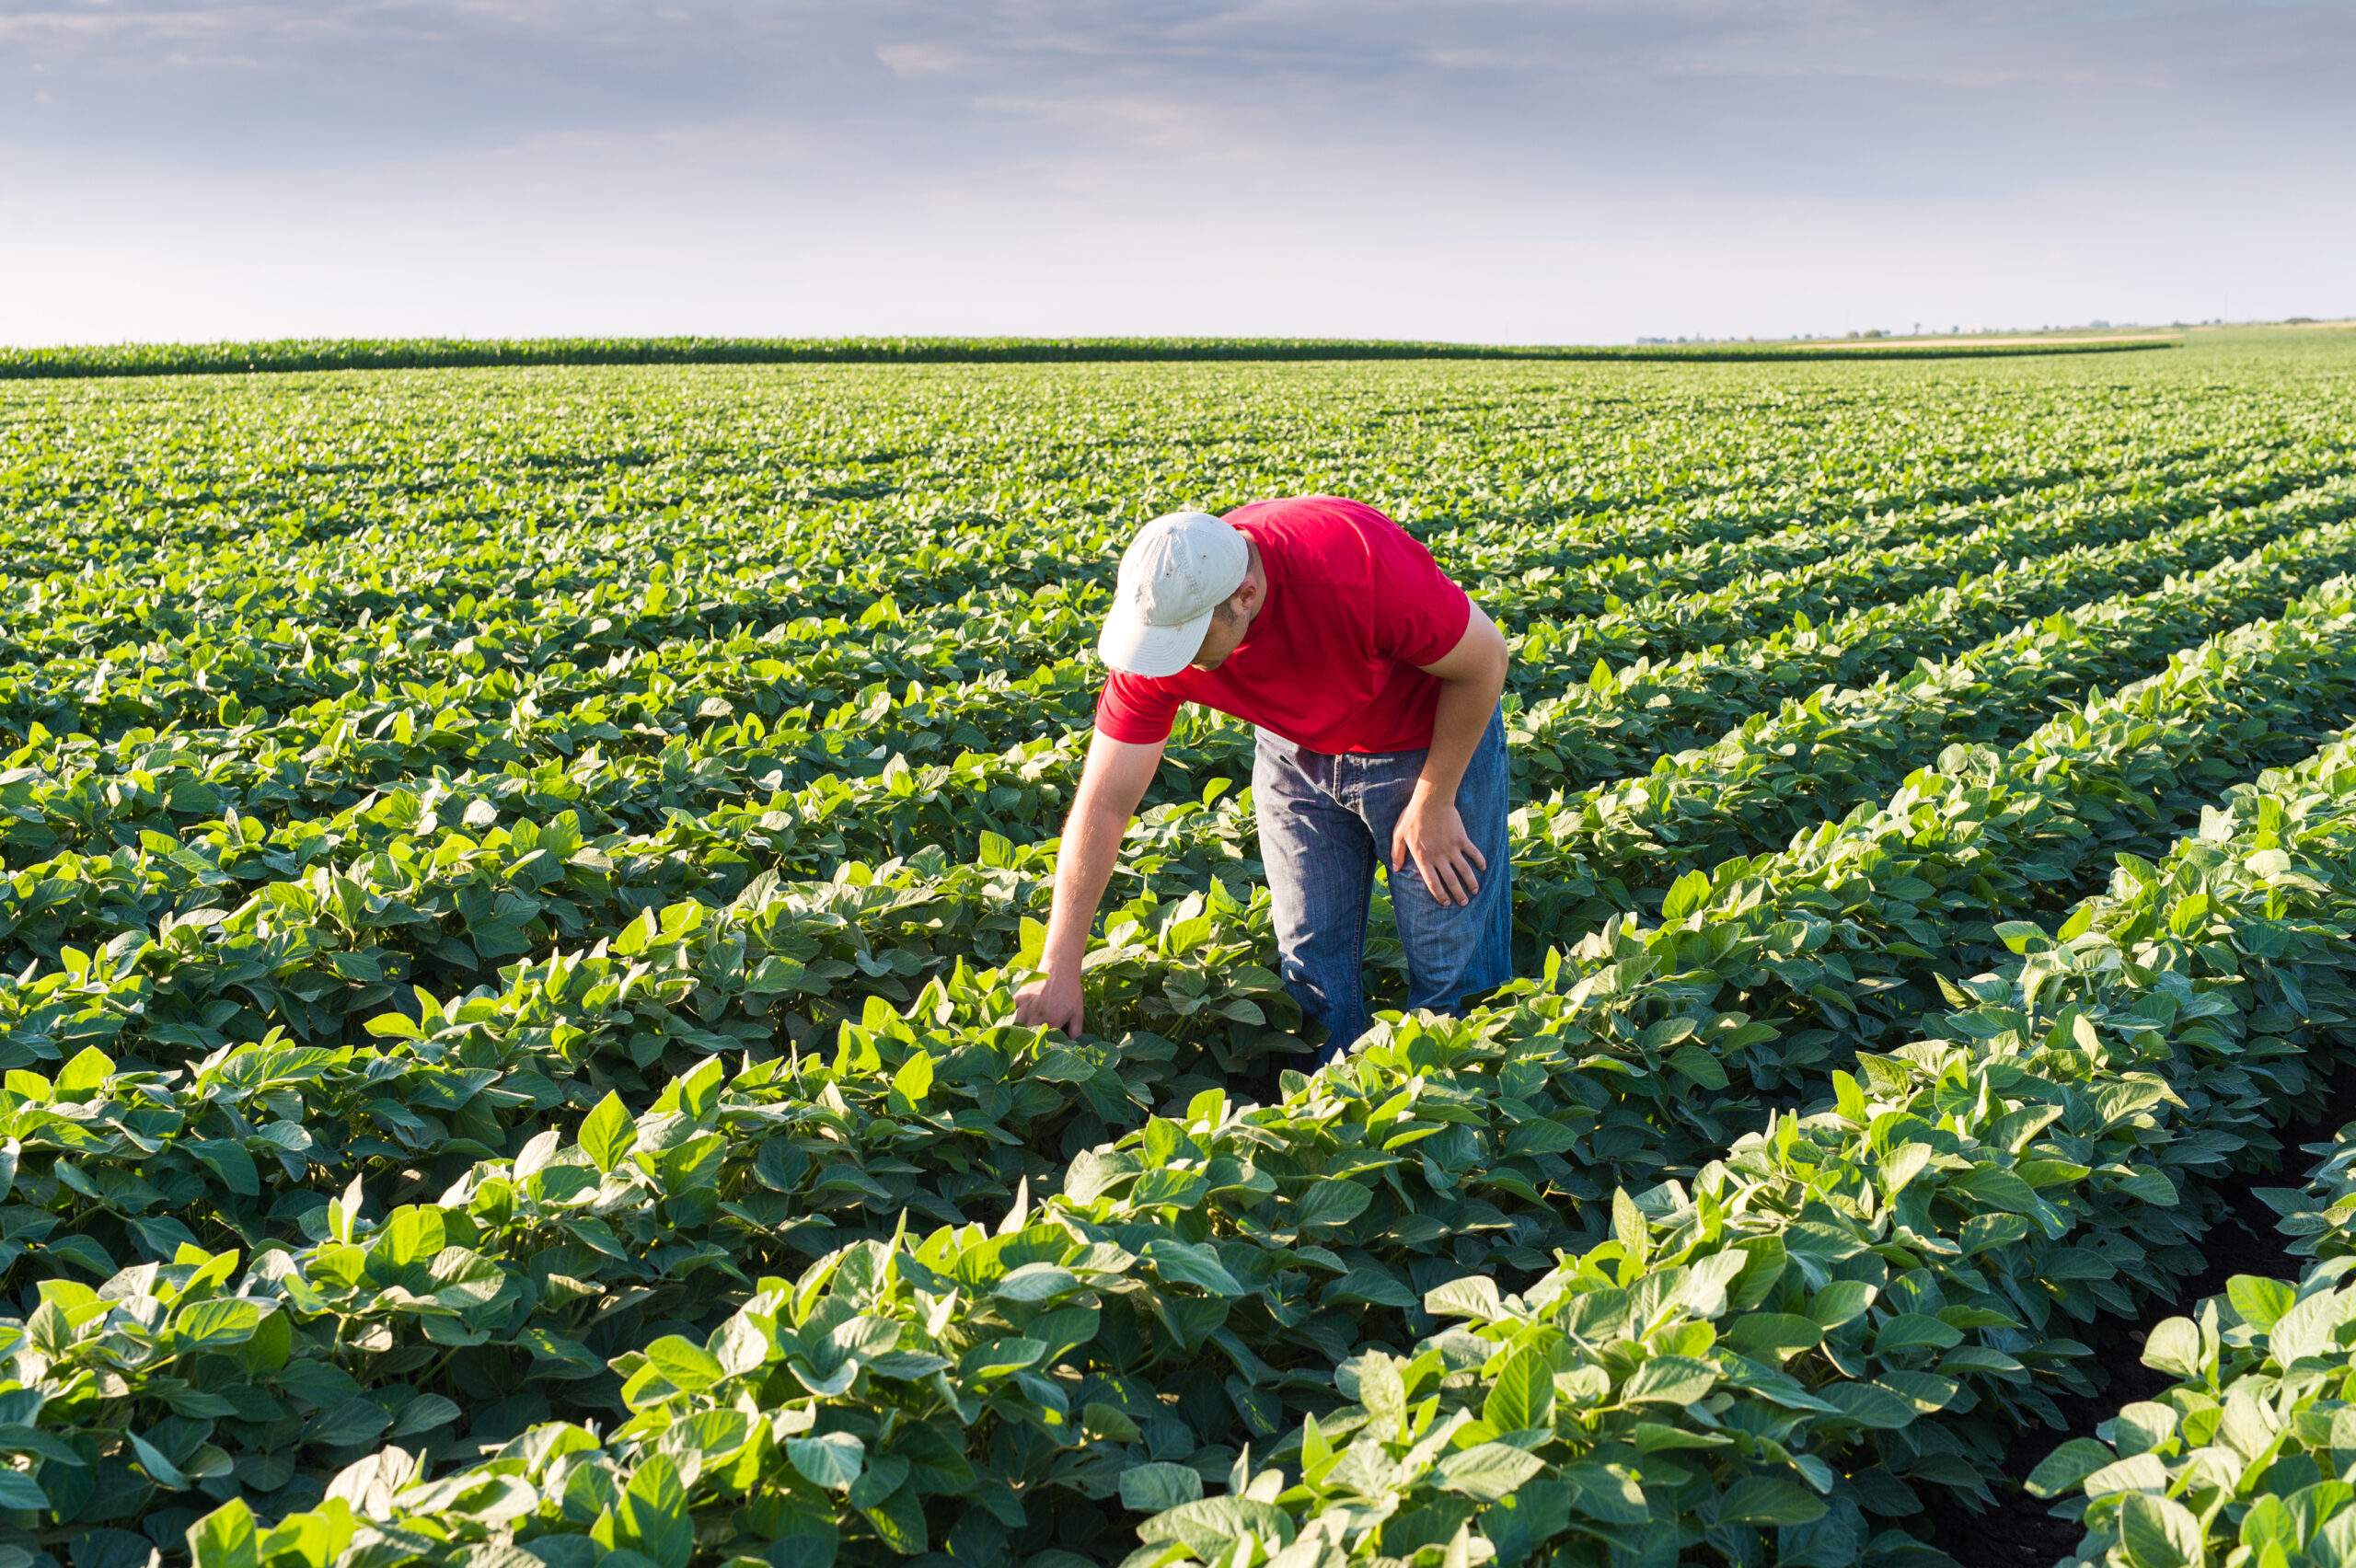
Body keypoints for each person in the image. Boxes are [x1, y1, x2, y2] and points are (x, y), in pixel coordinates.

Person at [1011, 495, 1513, 1066]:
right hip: (1293, 751)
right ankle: (1330, 1125)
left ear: (1245, 597)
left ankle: (1461, 1126)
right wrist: (1059, 962)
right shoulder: (1161, 628)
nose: (1171, 663)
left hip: (1424, 741)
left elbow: (1485, 662)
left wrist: (1435, 798)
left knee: (1453, 965)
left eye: (1189, 643)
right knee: (1310, 965)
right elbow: (1103, 804)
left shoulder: (1352, 569)